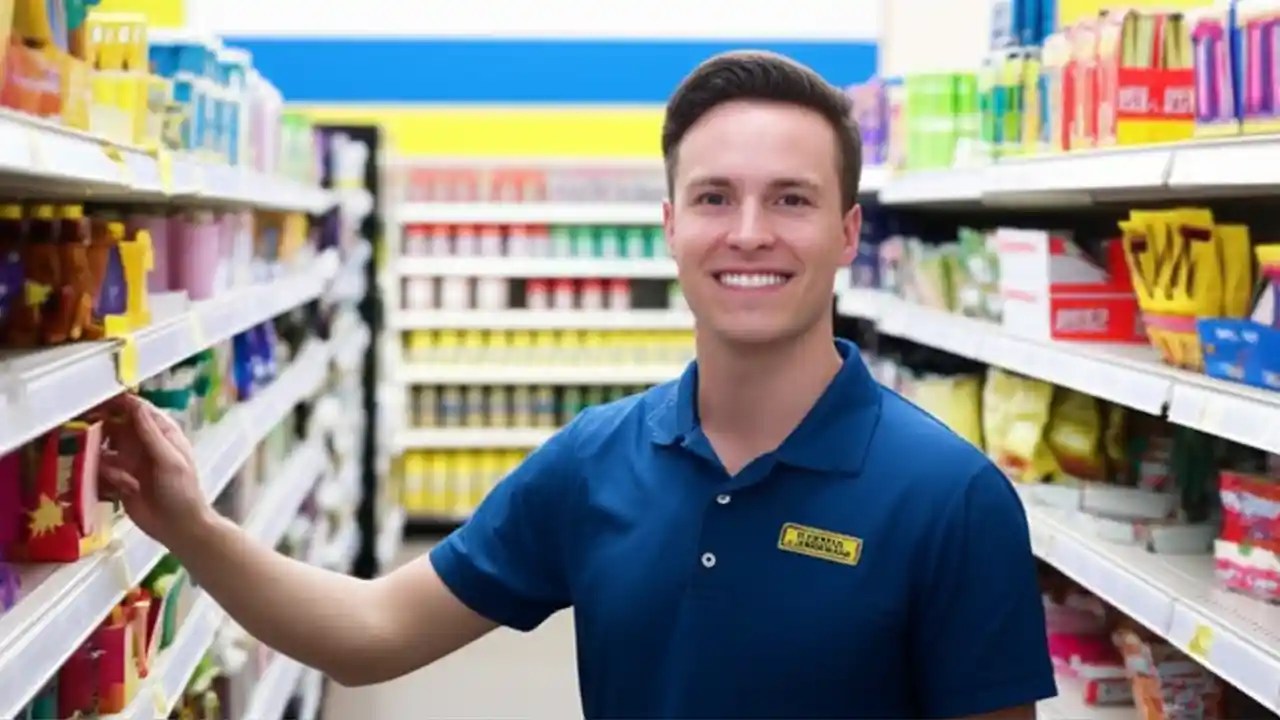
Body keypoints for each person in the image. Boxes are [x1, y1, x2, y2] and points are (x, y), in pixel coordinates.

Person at [102, 50, 1057, 719]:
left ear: (849, 233)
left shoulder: (953, 499)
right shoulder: (594, 464)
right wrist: (193, 525)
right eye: (715, 197)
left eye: (792, 199)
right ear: (670, 225)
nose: (751, 231)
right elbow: (371, 632)